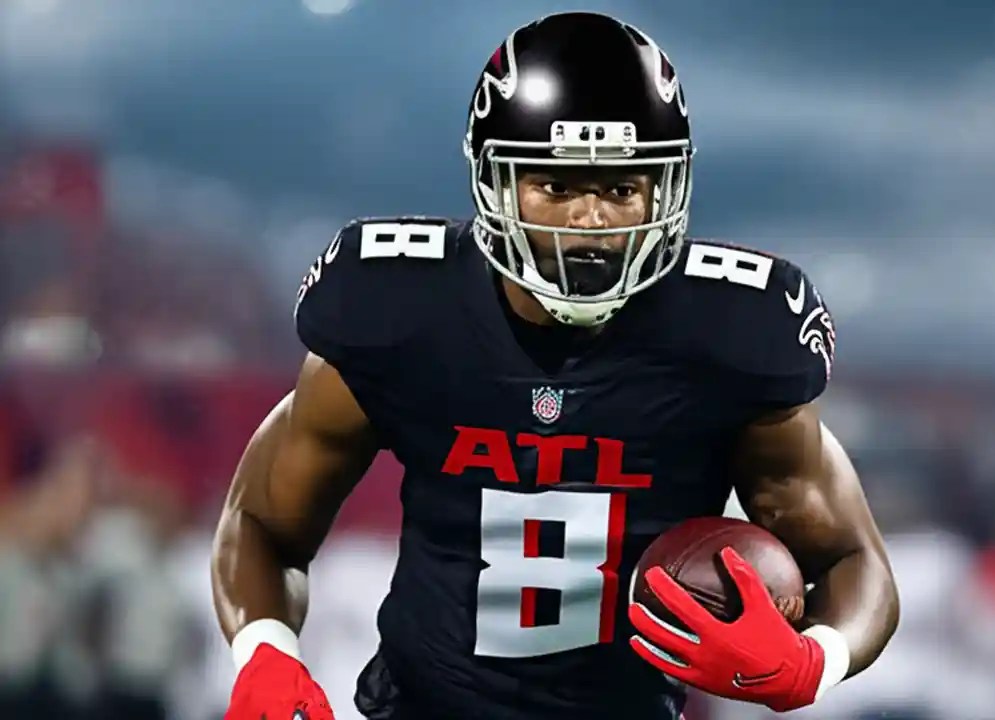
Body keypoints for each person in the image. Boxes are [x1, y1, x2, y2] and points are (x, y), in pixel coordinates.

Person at [211, 11, 898, 720]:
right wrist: (264, 648)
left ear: (665, 191)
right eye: (557, 186)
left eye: (621, 189)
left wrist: (811, 665)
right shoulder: (396, 308)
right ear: (493, 183)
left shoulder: (733, 336)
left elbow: (853, 560)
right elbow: (263, 521)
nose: (591, 219)